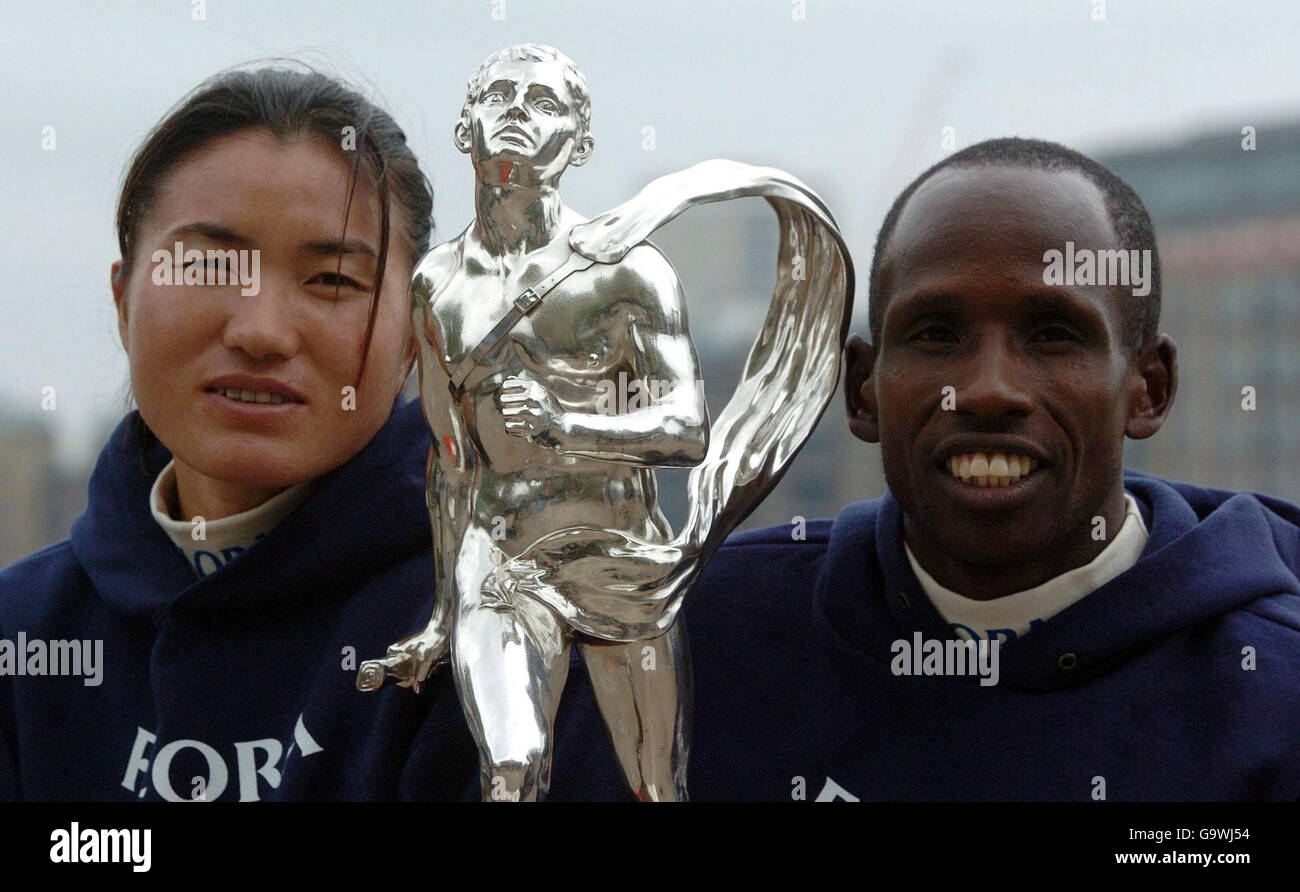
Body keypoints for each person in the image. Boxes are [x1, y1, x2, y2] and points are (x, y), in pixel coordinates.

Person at [548, 137, 1300, 801]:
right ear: (862, 391)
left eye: (1052, 334)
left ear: (1149, 388)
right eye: (936, 333)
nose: (988, 390)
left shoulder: (1272, 691)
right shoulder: (684, 648)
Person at [0, 66, 478, 801]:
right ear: (124, 298)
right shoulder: (27, 633)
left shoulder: (487, 623)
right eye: (211, 264)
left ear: (419, 331)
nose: (260, 331)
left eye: (332, 281)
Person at [365, 44, 708, 802]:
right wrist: (441, 618)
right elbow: (453, 463)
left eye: (545, 102)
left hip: (620, 558)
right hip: (502, 559)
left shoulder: (628, 272)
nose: (518, 111)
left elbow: (687, 428)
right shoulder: (437, 284)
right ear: (467, 127)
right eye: (501, 95)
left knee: (657, 787)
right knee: (512, 773)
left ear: (578, 144)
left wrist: (569, 425)